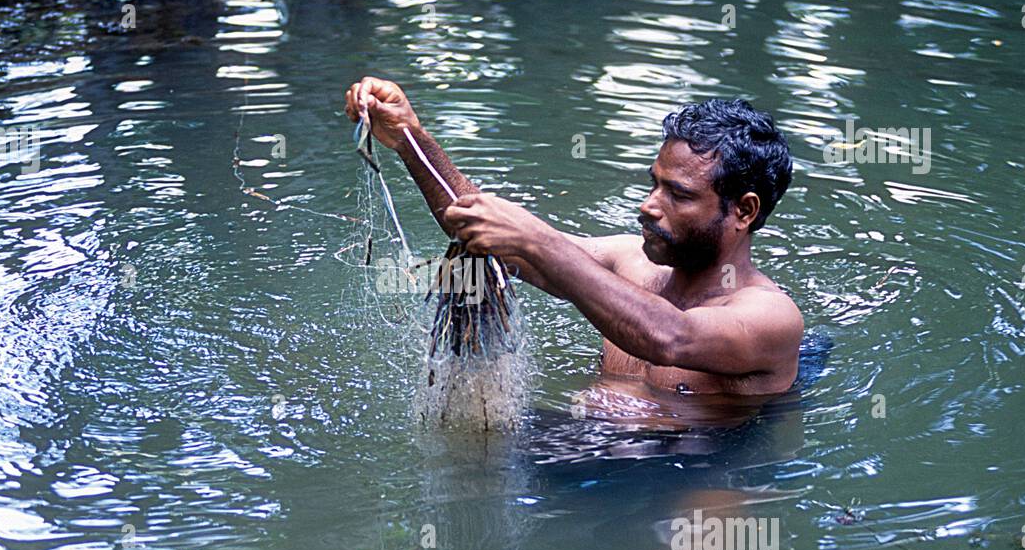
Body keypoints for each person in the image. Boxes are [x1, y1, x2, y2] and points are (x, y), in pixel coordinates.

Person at [343, 77, 803, 397]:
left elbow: (669, 338)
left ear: (743, 211)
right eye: (653, 183)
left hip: (689, 470)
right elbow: (484, 230)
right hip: (593, 451)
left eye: (678, 194)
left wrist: (537, 240)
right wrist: (410, 139)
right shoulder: (629, 260)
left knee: (699, 534)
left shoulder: (770, 316)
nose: (648, 205)